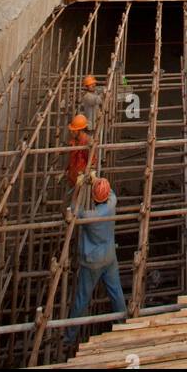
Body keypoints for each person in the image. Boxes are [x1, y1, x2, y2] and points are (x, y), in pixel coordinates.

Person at [65, 176, 126, 346]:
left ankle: (69, 337)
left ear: (93, 197)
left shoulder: (89, 216)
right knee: (116, 293)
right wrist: (97, 180)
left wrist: (77, 189)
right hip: (109, 256)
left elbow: (73, 211)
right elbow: (111, 193)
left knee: (82, 299)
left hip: (92, 261)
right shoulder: (112, 204)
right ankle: (123, 323)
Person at [66, 114, 96, 188]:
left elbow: (92, 163)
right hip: (73, 179)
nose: (71, 132)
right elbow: (73, 159)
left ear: (80, 130)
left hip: (81, 182)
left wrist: (85, 175)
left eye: (74, 131)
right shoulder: (75, 140)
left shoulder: (86, 143)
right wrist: (67, 170)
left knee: (75, 198)